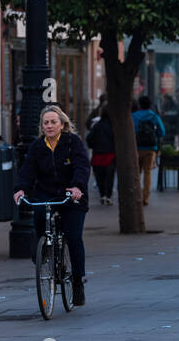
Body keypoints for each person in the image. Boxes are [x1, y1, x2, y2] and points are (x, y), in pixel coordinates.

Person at [14, 105, 90, 306]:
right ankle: (43, 247)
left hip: (71, 194)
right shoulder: (38, 146)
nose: (49, 126)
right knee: (39, 212)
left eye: (53, 122)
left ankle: (77, 282)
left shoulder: (73, 143)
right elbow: (28, 169)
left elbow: (82, 167)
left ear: (62, 124)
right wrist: (21, 189)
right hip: (47, 191)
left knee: (73, 237)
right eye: (45, 123)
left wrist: (77, 187)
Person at [132, 95, 166, 206]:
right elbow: (162, 132)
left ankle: (136, 196)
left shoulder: (134, 116)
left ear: (139, 105)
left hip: (136, 148)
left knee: (136, 173)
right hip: (151, 148)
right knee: (148, 173)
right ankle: (145, 198)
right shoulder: (154, 116)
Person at [86, 107, 116, 205]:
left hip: (97, 155)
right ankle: (108, 196)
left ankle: (102, 194)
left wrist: (93, 146)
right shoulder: (112, 126)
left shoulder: (97, 126)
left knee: (100, 177)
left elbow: (89, 138)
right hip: (110, 155)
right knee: (109, 177)